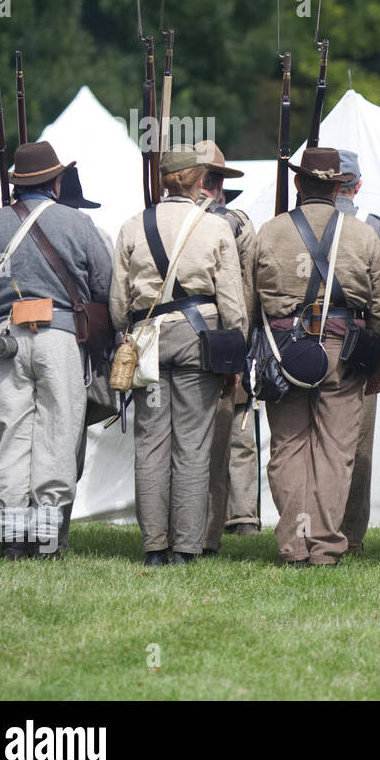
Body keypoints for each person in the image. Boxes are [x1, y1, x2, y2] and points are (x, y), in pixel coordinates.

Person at [0, 142, 112, 559]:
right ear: (55, 180)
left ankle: (14, 539)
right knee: (58, 433)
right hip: (61, 338)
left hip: (6, 338)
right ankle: (47, 539)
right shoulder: (77, 222)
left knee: (12, 434)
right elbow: (103, 287)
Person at [253, 147, 380, 567]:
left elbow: (248, 300)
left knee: (288, 448)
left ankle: (295, 544)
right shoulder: (364, 235)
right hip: (343, 352)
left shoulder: (268, 232)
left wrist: (248, 359)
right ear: (338, 187)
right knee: (336, 450)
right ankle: (327, 545)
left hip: (283, 353)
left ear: (298, 183)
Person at [110, 145, 247, 566]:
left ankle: (154, 547)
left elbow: (118, 306)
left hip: (147, 340)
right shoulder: (215, 228)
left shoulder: (132, 226)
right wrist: (233, 357)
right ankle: (186, 548)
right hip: (198, 339)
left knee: (150, 444)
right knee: (192, 445)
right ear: (198, 179)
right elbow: (234, 307)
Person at [332, 149, 380, 557]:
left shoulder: (291, 224)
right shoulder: (373, 228)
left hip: (300, 344)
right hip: (359, 346)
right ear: (357, 185)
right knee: (356, 445)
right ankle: (349, 535)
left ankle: (311, 528)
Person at [194, 142, 263, 553]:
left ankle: (239, 516)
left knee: (232, 430)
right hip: (228, 334)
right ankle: (230, 518)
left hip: (212, 334)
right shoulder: (236, 224)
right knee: (233, 432)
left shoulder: (231, 222)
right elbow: (248, 289)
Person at [56, 165, 110, 553]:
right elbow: (107, 292)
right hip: (77, 351)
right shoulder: (92, 231)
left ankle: (22, 533)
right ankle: (54, 531)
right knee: (68, 443)